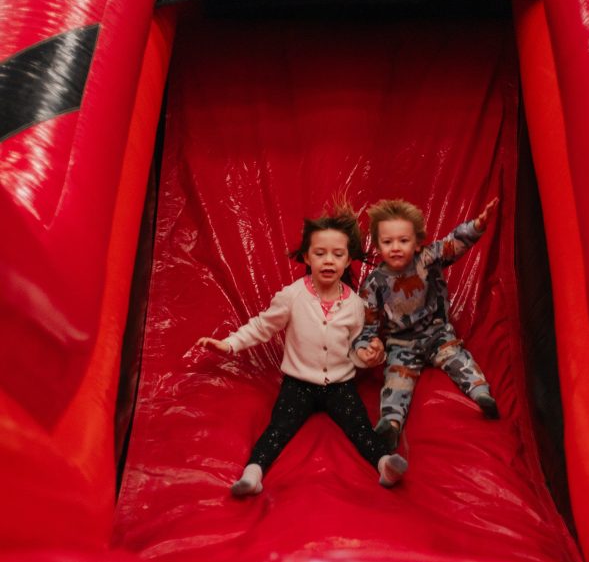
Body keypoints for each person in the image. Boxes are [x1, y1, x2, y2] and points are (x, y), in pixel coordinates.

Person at [195, 202, 406, 497]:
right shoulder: (292, 296)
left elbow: (360, 349)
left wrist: (374, 355)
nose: (328, 261)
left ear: (348, 261)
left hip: (340, 385)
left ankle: (384, 465)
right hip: (298, 385)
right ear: (307, 257)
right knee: (277, 429)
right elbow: (261, 326)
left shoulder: (356, 306)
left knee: (360, 428)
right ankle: (253, 472)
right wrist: (229, 343)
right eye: (320, 254)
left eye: (337, 254)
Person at [352, 195, 500, 452]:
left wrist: (476, 226)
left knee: (456, 357)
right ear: (377, 246)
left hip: (437, 332)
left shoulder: (428, 258)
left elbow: (453, 244)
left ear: (418, 243)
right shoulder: (374, 284)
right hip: (401, 342)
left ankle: (480, 392)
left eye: (403, 240)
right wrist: (368, 344)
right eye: (388, 242)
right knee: (397, 379)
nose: (395, 247)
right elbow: (368, 325)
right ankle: (390, 425)